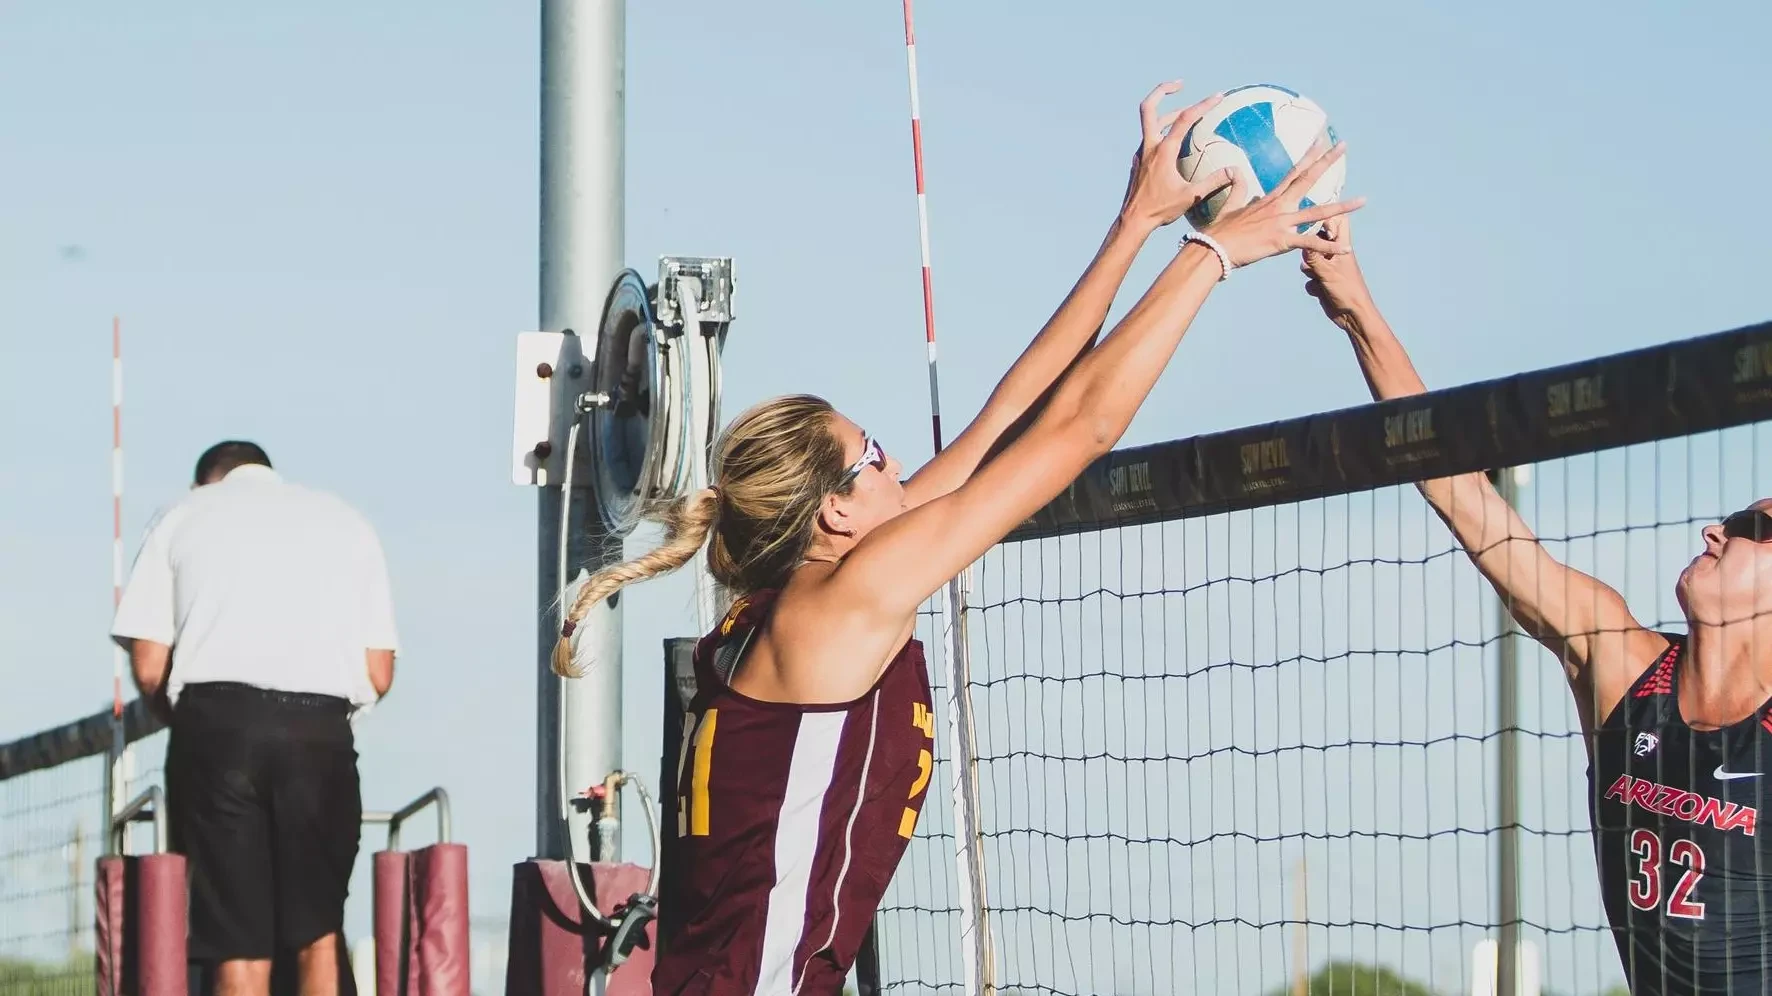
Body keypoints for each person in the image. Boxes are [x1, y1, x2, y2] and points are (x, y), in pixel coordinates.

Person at [551, 81, 1361, 995]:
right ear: (834, 514)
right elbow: (1080, 433)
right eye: (877, 456)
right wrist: (1211, 254)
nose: (899, 466)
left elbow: (1007, 422)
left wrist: (1137, 222)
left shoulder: (821, 591)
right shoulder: (840, 604)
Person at [1304, 219, 1772, 995]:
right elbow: (1459, 493)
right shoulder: (1621, 664)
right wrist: (1356, 305)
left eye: (1754, 526)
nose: (1715, 528)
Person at [111, 441, 399, 996]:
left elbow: (149, 664)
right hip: (320, 732)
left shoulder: (183, 515)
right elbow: (380, 672)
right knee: (318, 932)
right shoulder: (346, 521)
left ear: (207, 482)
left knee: (236, 940)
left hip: (217, 728)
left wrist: (189, 718)